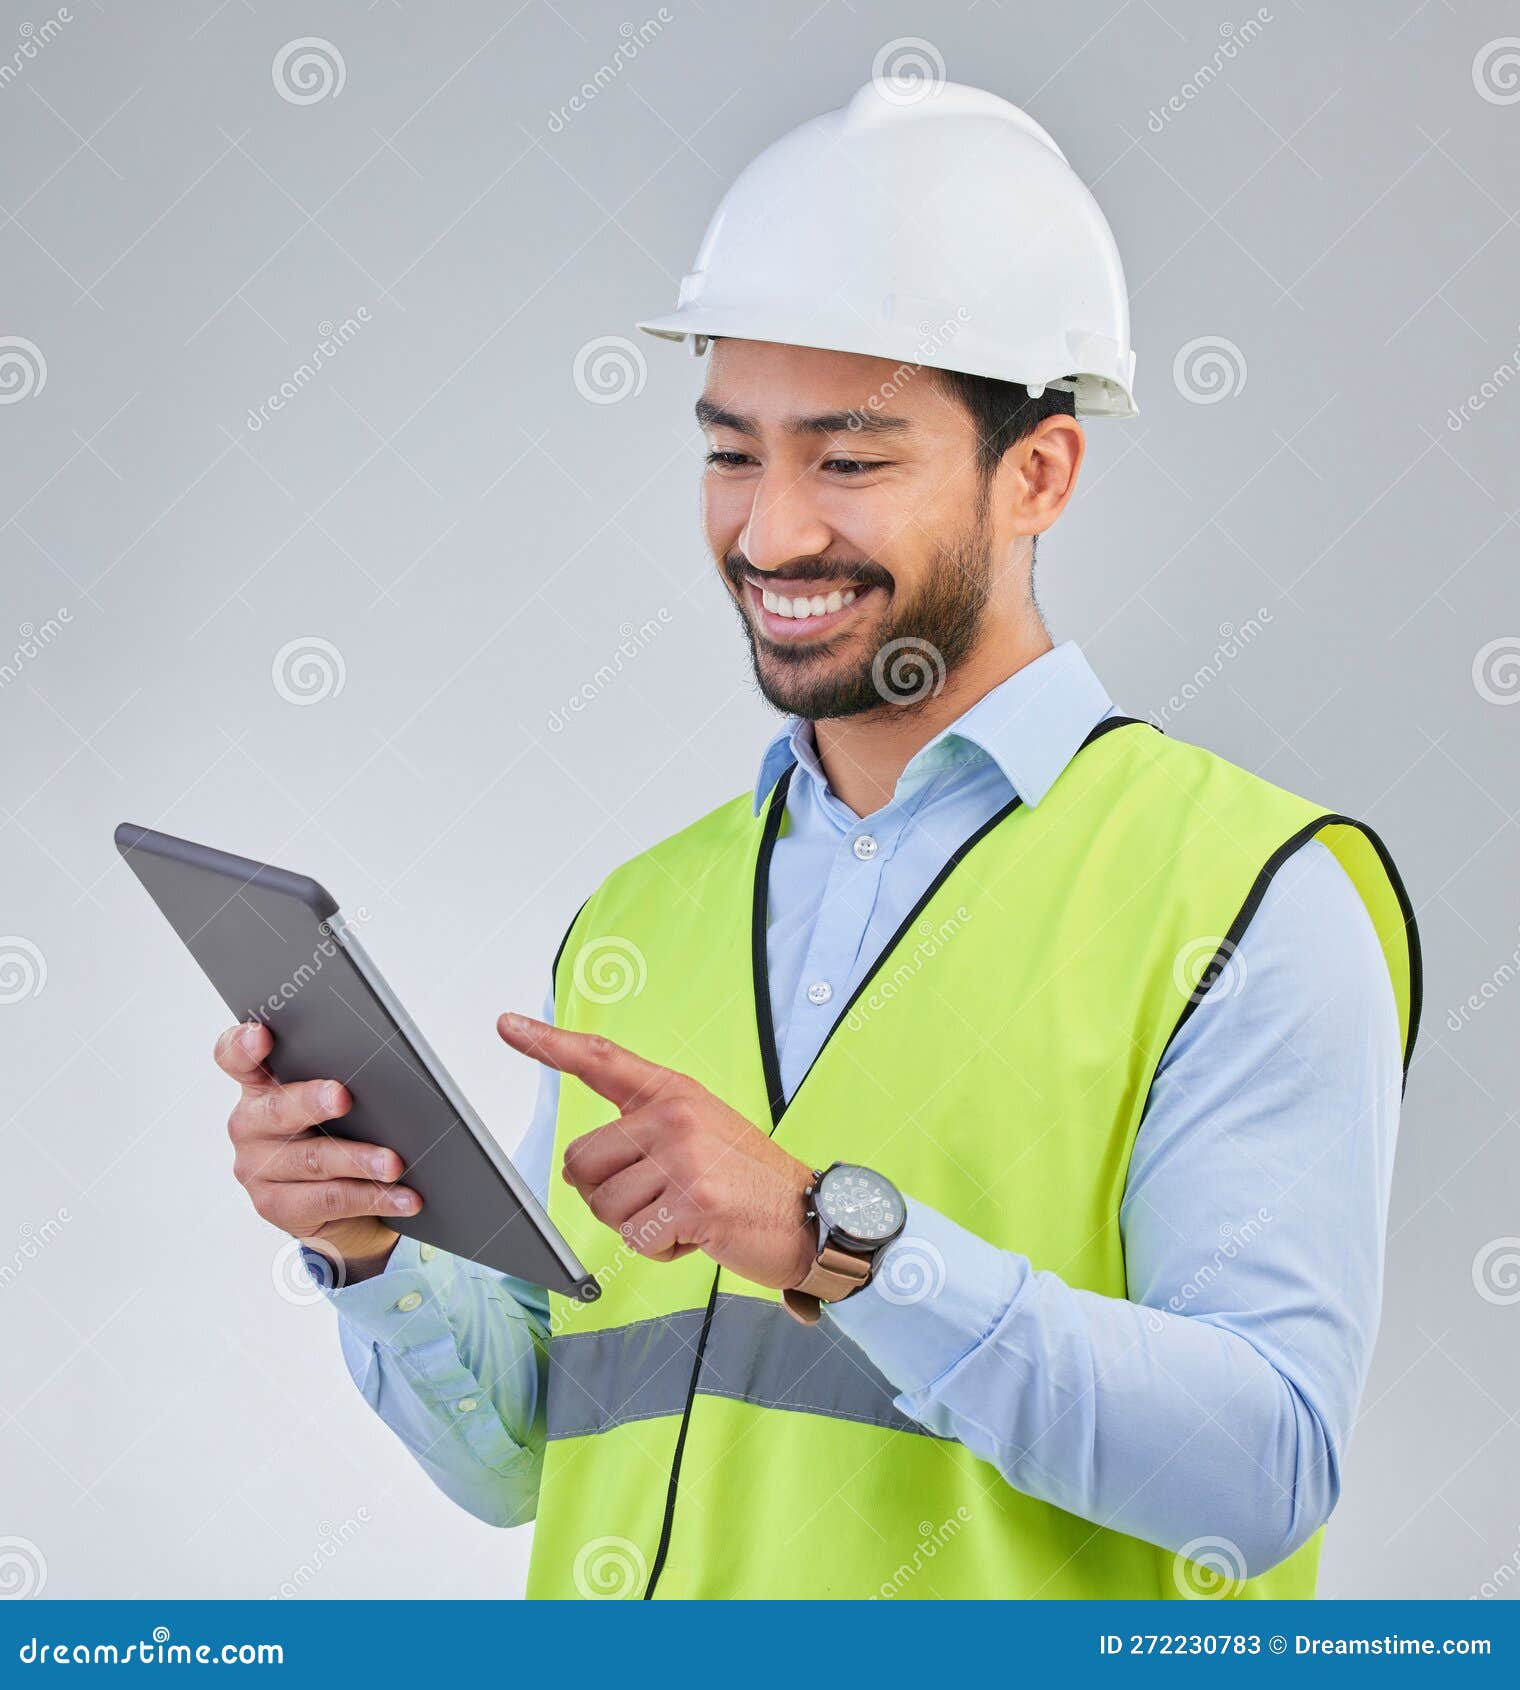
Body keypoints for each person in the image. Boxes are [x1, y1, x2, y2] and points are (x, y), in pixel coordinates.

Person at [214, 79, 1419, 1600]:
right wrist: (374, 1251)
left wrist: (833, 1241)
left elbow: (1260, 1476)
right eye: (734, 453)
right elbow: (523, 1457)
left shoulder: (1247, 897)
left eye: (848, 461)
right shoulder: (645, 912)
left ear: (1038, 472)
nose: (772, 532)